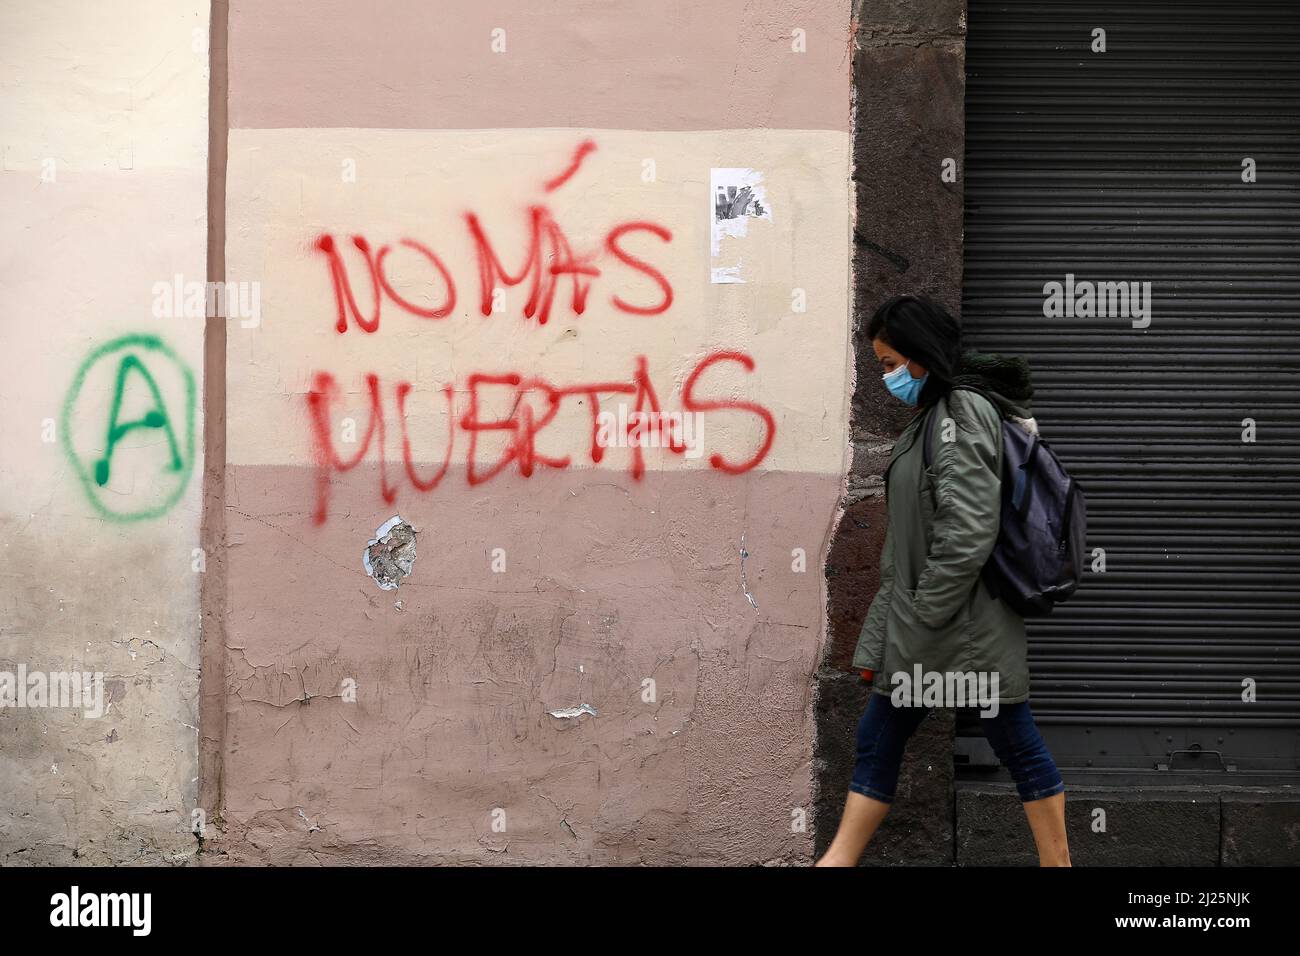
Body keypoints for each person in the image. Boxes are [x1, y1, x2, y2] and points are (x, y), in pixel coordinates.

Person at [816, 295, 1071, 867]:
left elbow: (967, 530)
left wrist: (920, 615)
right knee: (882, 741)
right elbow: (905, 552)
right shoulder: (934, 416)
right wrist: (884, 637)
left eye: (889, 364)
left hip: (960, 631)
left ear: (921, 356)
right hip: (937, 631)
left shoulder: (959, 412)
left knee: (1012, 744)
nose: (886, 377)